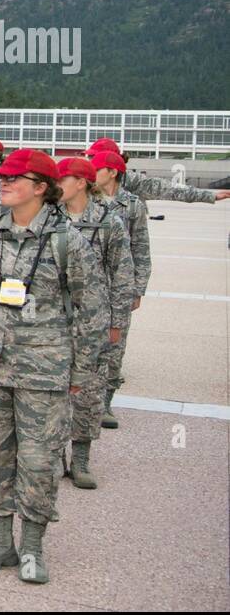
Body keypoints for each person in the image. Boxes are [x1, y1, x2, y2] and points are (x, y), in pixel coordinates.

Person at [0, 149, 106, 585]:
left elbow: (93, 313)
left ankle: (32, 547)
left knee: (39, 462)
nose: (2, 182)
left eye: (13, 178)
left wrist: (82, 376)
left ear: (41, 188)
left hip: (43, 371)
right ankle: (0, 540)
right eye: (1, 177)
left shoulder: (70, 242)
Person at [56, 157, 134, 489]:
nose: (56, 184)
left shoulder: (108, 221)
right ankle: (51, 453)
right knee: (50, 388)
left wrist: (117, 321)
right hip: (54, 317)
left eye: (63, 179)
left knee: (87, 392)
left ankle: (82, 457)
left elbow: (122, 273)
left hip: (93, 319)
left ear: (81, 183)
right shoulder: (49, 217)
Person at [89, 150, 150, 430]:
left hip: (119, 287)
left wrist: (138, 288)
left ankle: (106, 403)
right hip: (89, 286)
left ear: (112, 172)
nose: (91, 170)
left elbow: (140, 246)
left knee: (114, 348)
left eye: (96, 166)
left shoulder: (133, 205)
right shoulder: (87, 200)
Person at [86, 138, 229, 203]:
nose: (89, 162)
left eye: (93, 157)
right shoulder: (83, 182)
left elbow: (172, 190)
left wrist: (210, 195)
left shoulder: (132, 182)